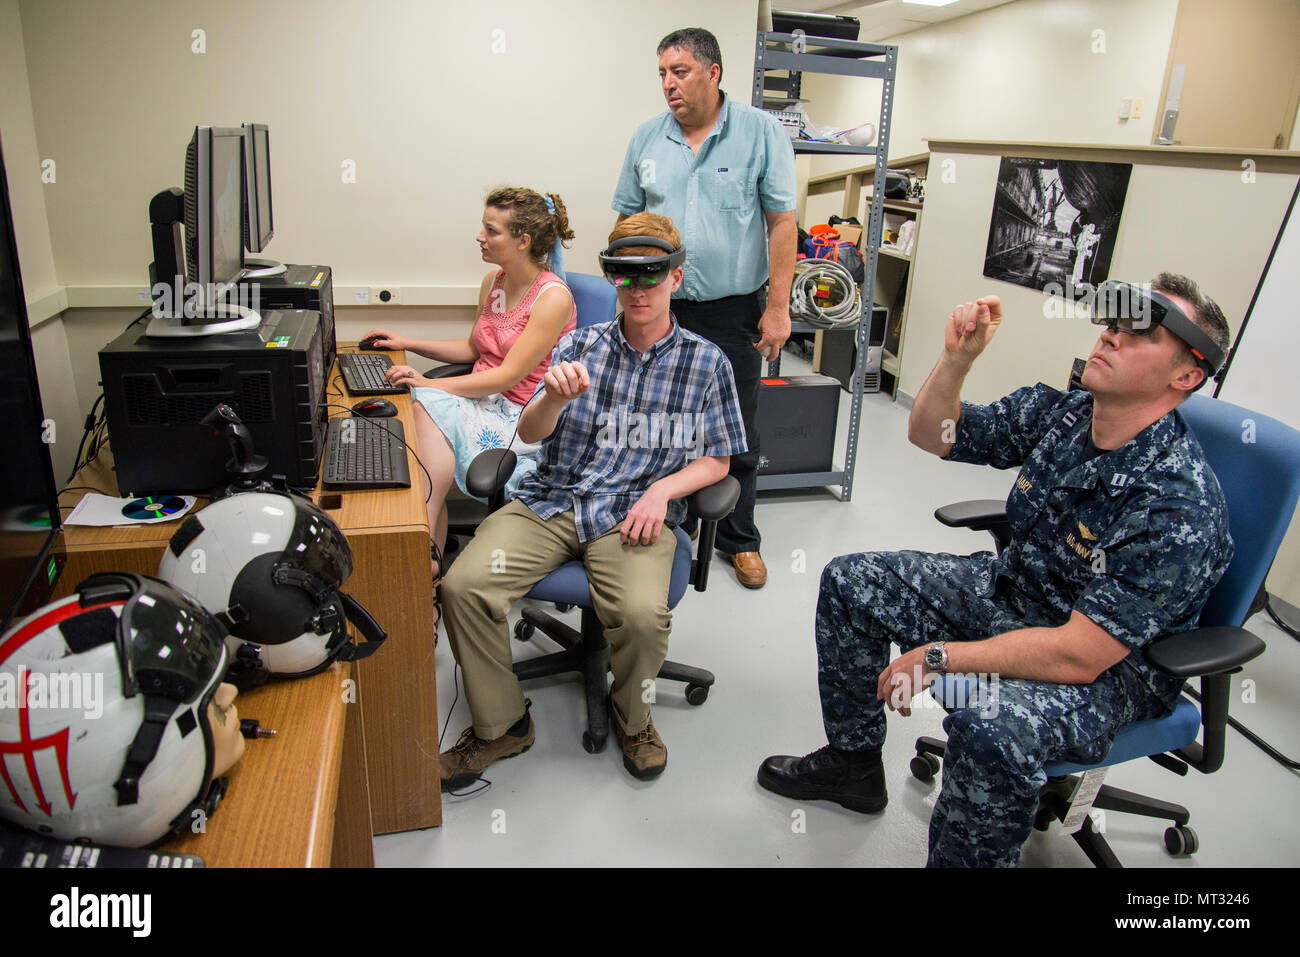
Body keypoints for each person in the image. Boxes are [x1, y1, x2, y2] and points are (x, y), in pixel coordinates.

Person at [757, 273, 1235, 867]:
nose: (1110, 337)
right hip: (1015, 595)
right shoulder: (1068, 413)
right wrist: (957, 359)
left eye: (1139, 333)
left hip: (1106, 672)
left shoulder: (1175, 503)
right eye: (1112, 324)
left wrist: (939, 656)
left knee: (991, 729)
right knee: (854, 581)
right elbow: (932, 433)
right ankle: (853, 766)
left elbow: (1079, 655)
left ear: (1187, 375)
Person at [437, 213, 746, 790]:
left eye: (653, 276)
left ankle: (635, 718)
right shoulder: (579, 345)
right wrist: (550, 401)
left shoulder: (707, 363)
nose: (639, 290)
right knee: (463, 585)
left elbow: (719, 460)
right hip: (553, 500)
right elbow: (530, 435)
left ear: (676, 278)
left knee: (640, 617)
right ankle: (503, 723)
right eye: (625, 278)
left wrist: (662, 489)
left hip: (631, 513)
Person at [612, 27, 796, 589]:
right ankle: (665, 526)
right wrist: (629, 291)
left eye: (681, 71)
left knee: (734, 427)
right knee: (651, 422)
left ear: (713, 72)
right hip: (657, 307)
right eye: (663, 73)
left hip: (730, 309)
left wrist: (779, 307)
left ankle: (739, 540)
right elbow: (625, 221)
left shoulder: (761, 134)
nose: (669, 84)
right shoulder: (647, 139)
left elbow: (782, 222)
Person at [364, 188, 577, 606]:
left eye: (490, 230)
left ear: (523, 241)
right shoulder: (493, 282)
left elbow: (505, 376)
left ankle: (423, 558)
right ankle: (425, 561)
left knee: (422, 403)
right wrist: (407, 341)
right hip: (482, 399)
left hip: (523, 416)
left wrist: (429, 383)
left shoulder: (553, 298)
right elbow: (475, 350)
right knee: (421, 416)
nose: (479, 236)